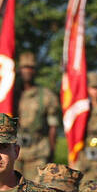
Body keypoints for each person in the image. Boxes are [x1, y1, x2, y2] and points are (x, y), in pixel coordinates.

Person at [16, 51, 62, 181]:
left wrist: (52, 152)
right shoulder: (10, 95)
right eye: (24, 67)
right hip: (14, 151)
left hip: (38, 151)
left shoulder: (47, 96)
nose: (27, 71)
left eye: (30, 68)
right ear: (19, 70)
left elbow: (53, 126)